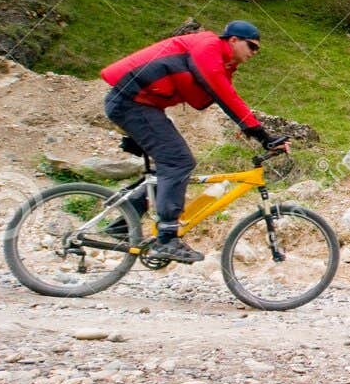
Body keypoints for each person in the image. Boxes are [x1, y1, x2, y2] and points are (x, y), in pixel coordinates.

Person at [99, 21, 285, 263]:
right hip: (130, 102)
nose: (254, 53)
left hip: (141, 105)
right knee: (178, 161)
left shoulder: (222, 63)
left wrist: (255, 132)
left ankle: (125, 221)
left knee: (169, 166)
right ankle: (167, 239)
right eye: (252, 46)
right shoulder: (207, 45)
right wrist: (262, 135)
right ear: (233, 40)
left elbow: (203, 100)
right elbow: (224, 93)